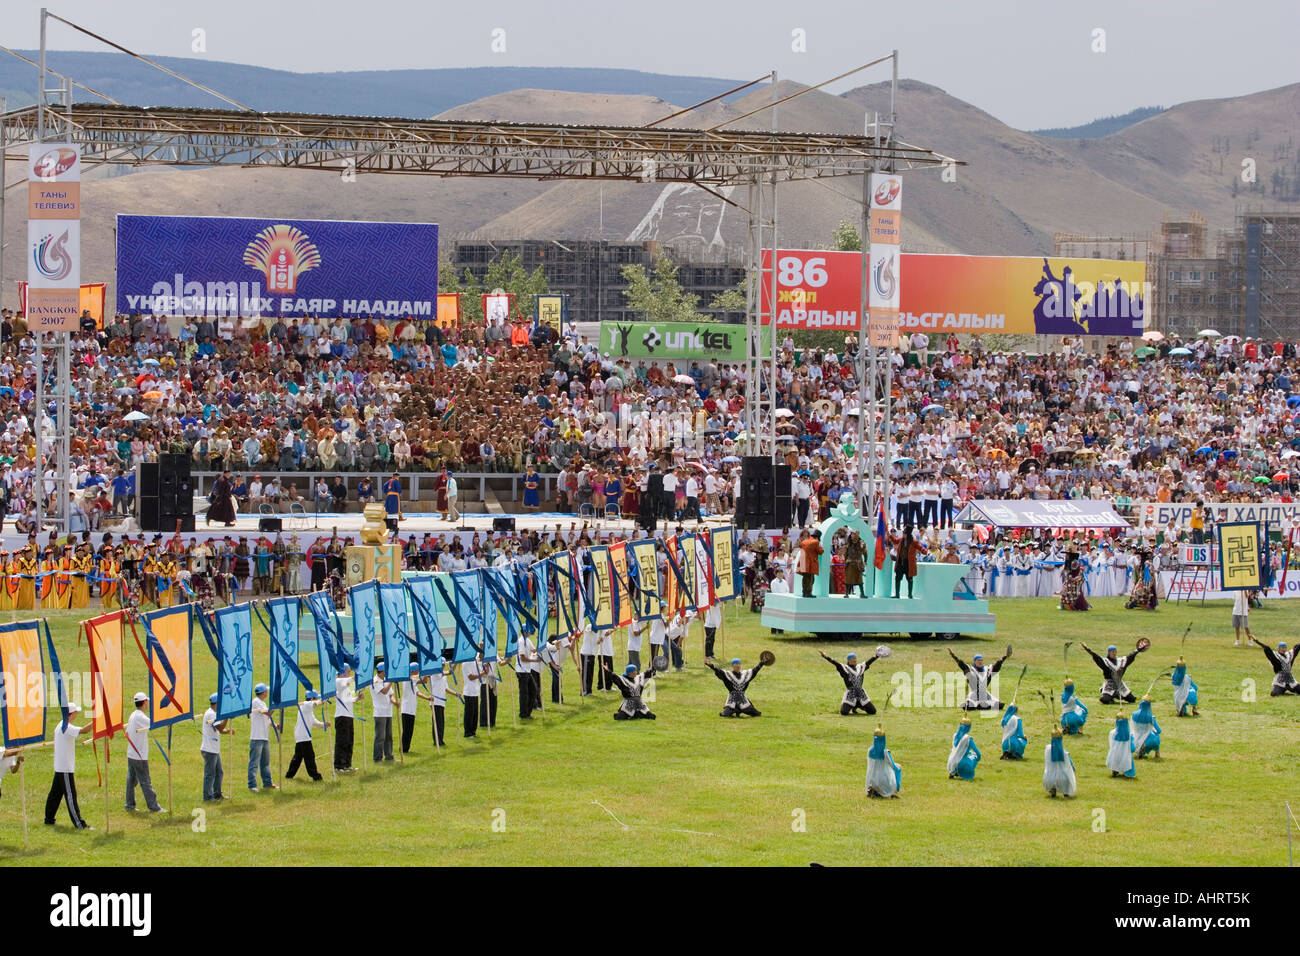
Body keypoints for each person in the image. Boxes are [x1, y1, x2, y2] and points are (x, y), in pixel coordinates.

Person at [46, 702, 91, 829]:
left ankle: (48, 819)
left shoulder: (61, 725)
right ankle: (79, 823)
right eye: (76, 711)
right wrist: (97, 722)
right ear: (71, 713)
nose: (77, 713)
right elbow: (84, 730)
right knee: (70, 795)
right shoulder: (66, 726)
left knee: (54, 795)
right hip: (65, 767)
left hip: (60, 766)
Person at [124, 692, 165, 813]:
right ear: (144, 702)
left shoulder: (133, 715)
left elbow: (127, 732)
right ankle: (154, 807)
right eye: (147, 701)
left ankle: (129, 805)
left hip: (132, 754)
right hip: (139, 755)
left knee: (131, 781)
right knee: (145, 781)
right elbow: (155, 723)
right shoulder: (140, 717)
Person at [1080, 641, 1146, 704]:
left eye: (1115, 652)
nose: (1114, 653)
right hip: (1109, 685)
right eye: (1112, 652)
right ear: (1109, 653)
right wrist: (1087, 649)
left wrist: (1138, 649)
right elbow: (1096, 657)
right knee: (1104, 700)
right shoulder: (1105, 661)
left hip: (1119, 684)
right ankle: (1105, 691)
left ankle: (1115, 695)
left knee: (1132, 700)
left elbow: (1131, 656)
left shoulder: (1121, 661)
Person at [948, 646, 1011, 710]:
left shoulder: (987, 670)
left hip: (985, 693)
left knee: (999, 705)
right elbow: (962, 665)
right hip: (974, 694)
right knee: (969, 706)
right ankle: (979, 705)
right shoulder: (971, 670)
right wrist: (953, 655)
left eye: (981, 660)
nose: (980, 662)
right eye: (978, 660)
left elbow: (996, 666)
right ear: (974, 661)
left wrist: (1004, 657)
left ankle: (982, 705)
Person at [818, 649, 879, 715]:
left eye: (855, 658)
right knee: (844, 712)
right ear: (849, 660)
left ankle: (859, 705)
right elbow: (835, 663)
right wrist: (825, 656)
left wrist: (876, 656)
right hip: (851, 694)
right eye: (853, 659)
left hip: (861, 694)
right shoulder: (845, 668)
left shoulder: (860, 667)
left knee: (873, 711)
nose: (855, 660)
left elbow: (869, 662)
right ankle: (853, 706)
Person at [285, 690, 328, 781]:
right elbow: (316, 703)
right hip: (303, 737)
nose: (317, 699)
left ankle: (289, 775)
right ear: (312, 698)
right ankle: (316, 776)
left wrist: (324, 724)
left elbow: (315, 723)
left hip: (302, 736)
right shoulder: (306, 705)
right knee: (309, 757)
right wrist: (324, 700)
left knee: (297, 757)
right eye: (316, 698)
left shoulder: (309, 711)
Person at [201, 692, 233, 801]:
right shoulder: (211, 714)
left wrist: (228, 731)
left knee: (219, 772)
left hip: (214, 749)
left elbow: (220, 729)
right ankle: (208, 796)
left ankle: (217, 794)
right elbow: (220, 727)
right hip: (209, 749)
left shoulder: (214, 713)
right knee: (210, 774)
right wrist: (227, 716)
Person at [247, 682, 278, 792]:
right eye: (266, 691)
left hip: (264, 737)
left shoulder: (262, 703)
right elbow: (267, 713)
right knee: (254, 763)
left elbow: (266, 718)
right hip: (257, 738)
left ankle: (267, 783)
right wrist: (275, 704)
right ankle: (252, 785)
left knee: (265, 763)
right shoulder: (256, 702)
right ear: (263, 692)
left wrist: (274, 725)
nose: (267, 693)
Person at [333, 661, 359, 772]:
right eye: (348, 672)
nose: (349, 674)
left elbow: (348, 699)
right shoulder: (338, 681)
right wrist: (360, 672)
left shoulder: (346, 685)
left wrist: (357, 699)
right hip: (341, 716)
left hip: (348, 715)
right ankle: (339, 765)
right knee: (342, 741)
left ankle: (347, 764)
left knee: (349, 741)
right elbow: (351, 679)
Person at [865, 724, 902, 798]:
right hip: (884, 781)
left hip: (872, 782)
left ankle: (874, 790)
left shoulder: (870, 751)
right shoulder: (885, 752)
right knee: (898, 766)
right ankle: (894, 789)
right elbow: (893, 766)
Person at [891, 525, 926, 599]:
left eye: (904, 533)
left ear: (908, 534)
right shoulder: (901, 540)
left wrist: (924, 551)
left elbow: (920, 547)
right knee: (897, 578)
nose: (903, 534)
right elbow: (895, 541)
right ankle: (897, 594)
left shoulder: (914, 541)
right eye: (903, 533)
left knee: (909, 579)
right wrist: (890, 536)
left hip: (908, 563)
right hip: (900, 562)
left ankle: (910, 594)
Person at [370, 661, 396, 762]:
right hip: (379, 712)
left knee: (389, 735)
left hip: (388, 711)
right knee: (380, 736)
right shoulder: (375, 681)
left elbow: (390, 694)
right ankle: (377, 757)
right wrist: (391, 681)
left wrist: (394, 702)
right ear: (382, 671)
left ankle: (389, 755)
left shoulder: (386, 680)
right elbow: (384, 691)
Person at [1043, 727, 1077, 798]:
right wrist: (1073, 768)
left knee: (1051, 778)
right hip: (1063, 779)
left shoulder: (1048, 749)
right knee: (1067, 777)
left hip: (1049, 778)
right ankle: (1066, 792)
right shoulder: (1064, 753)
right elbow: (1070, 764)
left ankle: (1053, 790)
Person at [946, 715, 980, 780]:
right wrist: (977, 758)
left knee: (969, 753)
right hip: (962, 762)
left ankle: (953, 772)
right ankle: (965, 771)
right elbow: (978, 753)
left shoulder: (955, 736)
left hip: (951, 762)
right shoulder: (967, 739)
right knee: (973, 756)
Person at [1106, 711, 1137, 778]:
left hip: (1114, 755)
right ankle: (1128, 773)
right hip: (1125, 757)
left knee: (1115, 758)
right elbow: (1132, 748)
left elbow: (1110, 743)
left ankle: (1115, 770)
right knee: (1129, 761)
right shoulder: (1129, 735)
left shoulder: (1112, 733)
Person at [798, 530, 823, 598]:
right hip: (810, 562)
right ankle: (808, 593)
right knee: (810, 578)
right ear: (818, 537)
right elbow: (820, 551)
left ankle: (804, 592)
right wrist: (821, 546)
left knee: (805, 577)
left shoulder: (804, 541)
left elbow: (800, 546)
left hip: (803, 561)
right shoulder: (816, 542)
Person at [842, 530, 865, 597]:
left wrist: (865, 562)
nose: (854, 536)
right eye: (853, 534)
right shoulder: (848, 545)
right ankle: (846, 594)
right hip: (850, 564)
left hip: (858, 564)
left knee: (860, 580)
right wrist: (845, 563)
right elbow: (845, 555)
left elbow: (864, 553)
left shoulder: (861, 544)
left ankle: (862, 593)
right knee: (848, 580)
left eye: (855, 534)